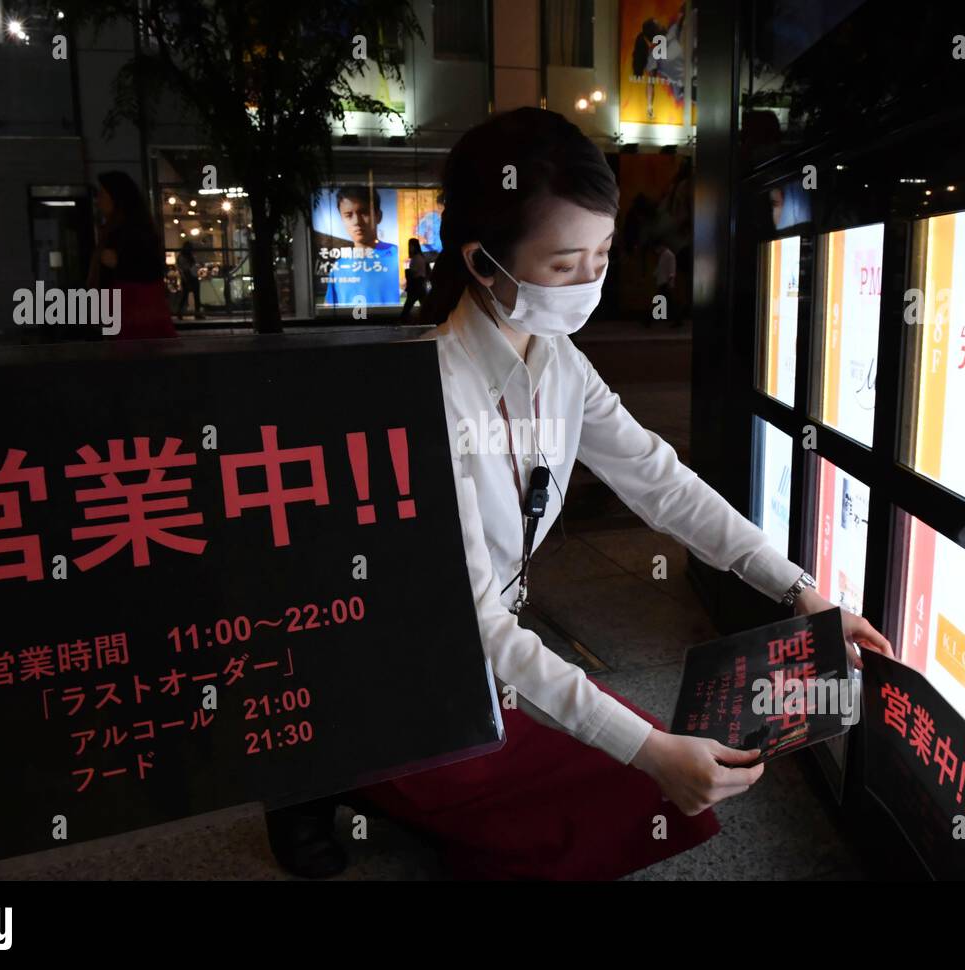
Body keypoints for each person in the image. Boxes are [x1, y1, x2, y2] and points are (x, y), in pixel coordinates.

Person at [265, 107, 893, 880]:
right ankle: (336, 775)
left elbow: (660, 482)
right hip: (410, 671)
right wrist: (649, 749)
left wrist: (798, 590)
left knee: (655, 785)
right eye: (566, 265)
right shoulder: (424, 396)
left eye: (602, 256)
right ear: (483, 262)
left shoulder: (558, 362)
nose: (591, 283)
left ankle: (444, 808)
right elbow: (479, 628)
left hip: (486, 657)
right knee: (643, 776)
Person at [89, 170, 177, 340]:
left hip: (131, 320)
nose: (98, 201)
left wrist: (119, 264)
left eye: (102, 194)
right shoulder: (128, 229)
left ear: (116, 198)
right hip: (130, 319)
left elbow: (147, 271)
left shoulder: (126, 232)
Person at [323, 186, 401, 307]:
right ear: (342, 219)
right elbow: (328, 308)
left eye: (364, 213)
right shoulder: (339, 267)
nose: (357, 222)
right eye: (349, 215)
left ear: (378, 216)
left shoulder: (398, 256)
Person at [399, 237, 429, 322]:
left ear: (415, 247)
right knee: (422, 303)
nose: (410, 248)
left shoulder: (417, 258)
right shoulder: (420, 257)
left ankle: (404, 318)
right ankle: (426, 318)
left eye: (411, 246)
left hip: (416, 283)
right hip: (419, 283)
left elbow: (415, 272)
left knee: (410, 303)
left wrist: (408, 272)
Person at [175, 240, 204, 320]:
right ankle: (194, 313)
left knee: (188, 296)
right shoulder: (185, 257)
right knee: (190, 296)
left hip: (190, 277)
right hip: (189, 277)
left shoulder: (185, 256)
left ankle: (181, 312)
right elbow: (185, 269)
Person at [653, 240, 678, 328]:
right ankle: (678, 320)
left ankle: (648, 320)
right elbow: (660, 268)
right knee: (670, 302)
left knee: (661, 301)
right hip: (663, 282)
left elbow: (672, 270)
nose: (656, 250)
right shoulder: (663, 255)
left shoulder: (669, 255)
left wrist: (669, 281)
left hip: (666, 283)